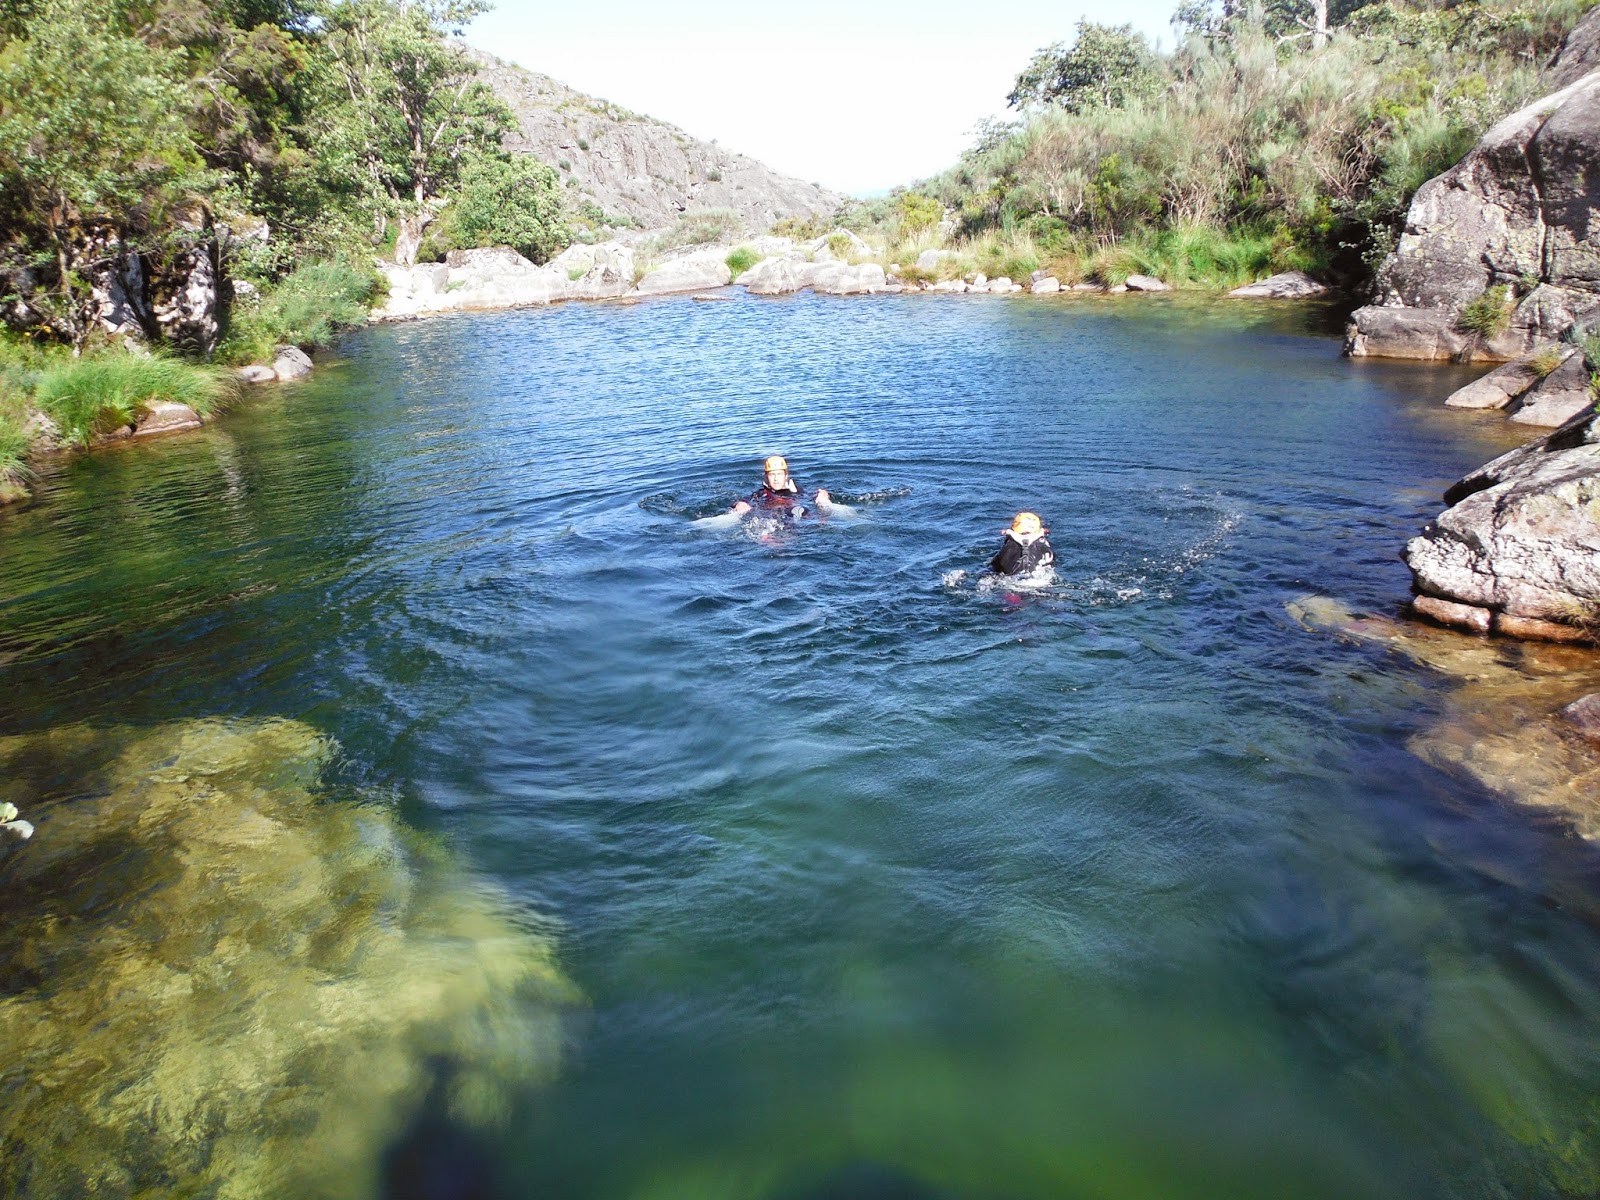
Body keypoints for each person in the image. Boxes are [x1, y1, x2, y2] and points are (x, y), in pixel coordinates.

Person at [730, 455, 831, 517]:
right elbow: (741, 501)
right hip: (768, 516)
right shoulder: (760, 494)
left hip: (795, 514)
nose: (776, 478)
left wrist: (821, 495)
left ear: (786, 475)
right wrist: (740, 504)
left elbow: (810, 496)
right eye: (772, 475)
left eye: (779, 474)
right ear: (766, 477)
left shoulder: (796, 491)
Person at [990, 511, 1054, 576]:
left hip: (1011, 580)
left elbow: (994, 566)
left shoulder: (1009, 545)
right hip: (1039, 580)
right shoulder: (1044, 545)